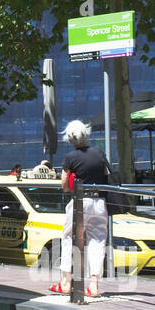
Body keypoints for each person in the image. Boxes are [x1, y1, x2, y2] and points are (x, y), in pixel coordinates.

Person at [55, 120, 109, 297]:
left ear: (70, 139)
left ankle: (66, 282)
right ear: (86, 135)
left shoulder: (70, 158)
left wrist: (68, 188)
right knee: (98, 240)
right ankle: (93, 285)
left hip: (80, 201)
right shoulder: (99, 154)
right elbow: (106, 176)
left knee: (68, 236)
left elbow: (64, 184)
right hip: (99, 202)